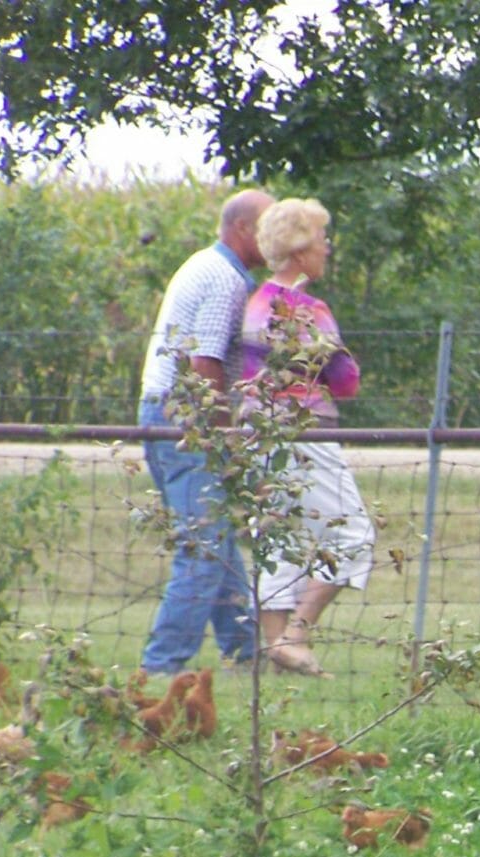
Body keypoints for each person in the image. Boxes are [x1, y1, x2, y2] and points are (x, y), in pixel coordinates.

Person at [237, 197, 375, 678]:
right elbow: (345, 379)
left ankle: (277, 650)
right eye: (321, 239)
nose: (327, 248)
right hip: (306, 432)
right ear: (299, 250)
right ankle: (297, 633)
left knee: (278, 537)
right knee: (354, 535)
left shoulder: (256, 304)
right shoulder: (306, 308)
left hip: (262, 434)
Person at [136, 188, 271, 675]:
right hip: (186, 421)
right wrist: (222, 433)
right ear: (243, 230)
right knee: (203, 551)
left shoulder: (204, 265)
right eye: (267, 226)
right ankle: (160, 668)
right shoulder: (226, 279)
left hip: (163, 413)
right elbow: (205, 361)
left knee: (218, 545)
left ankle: (246, 652)